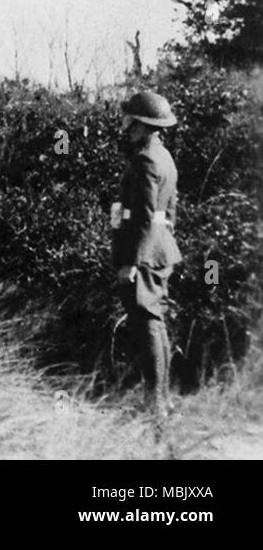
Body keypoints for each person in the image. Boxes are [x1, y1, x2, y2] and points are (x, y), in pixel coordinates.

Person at [111, 90, 182, 422]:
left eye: (131, 121)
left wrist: (131, 261)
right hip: (160, 247)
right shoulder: (163, 156)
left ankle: (155, 404)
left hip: (145, 253)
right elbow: (170, 209)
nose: (126, 127)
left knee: (148, 323)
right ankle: (162, 400)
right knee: (156, 322)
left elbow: (141, 214)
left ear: (142, 124)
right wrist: (161, 243)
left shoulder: (145, 160)